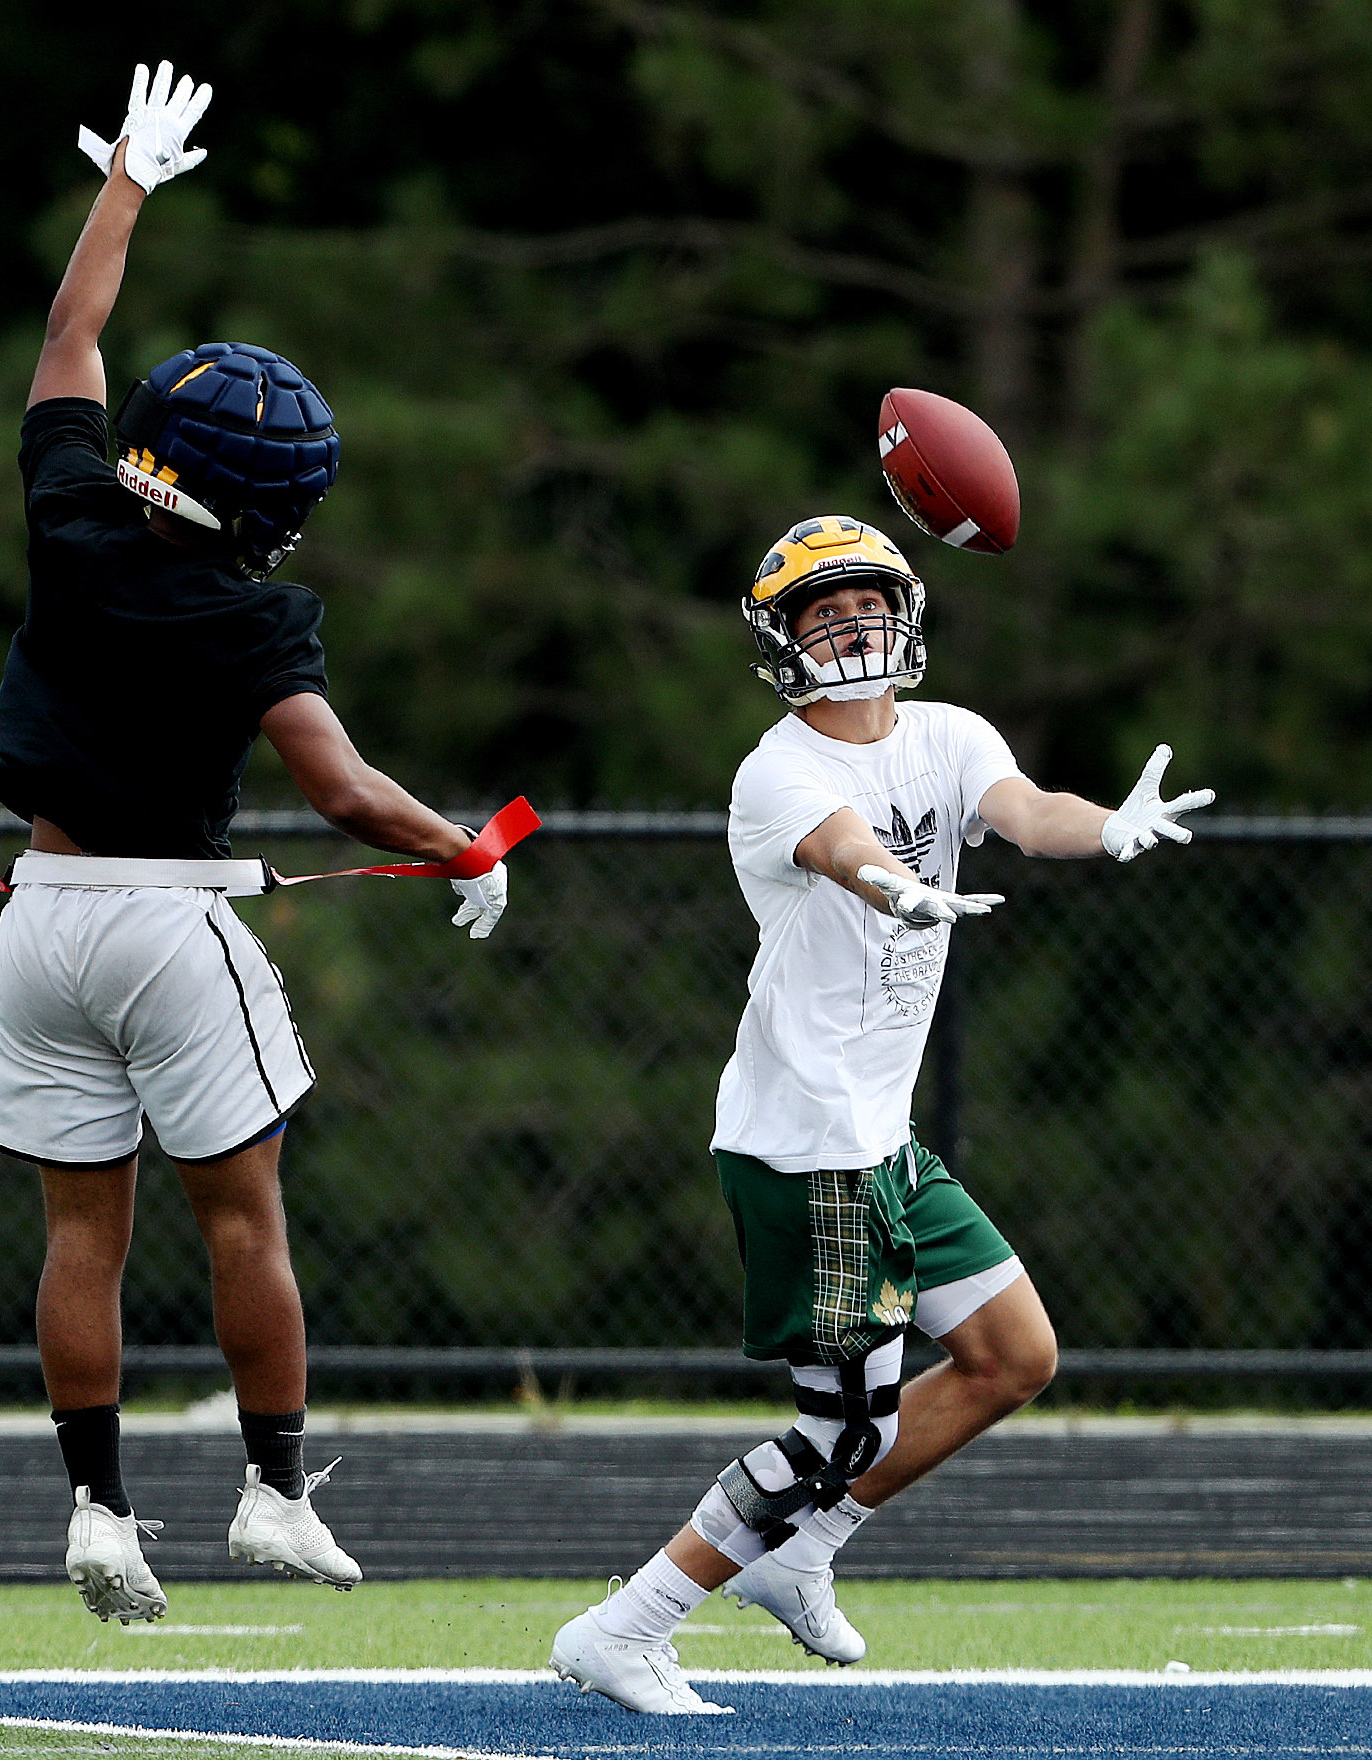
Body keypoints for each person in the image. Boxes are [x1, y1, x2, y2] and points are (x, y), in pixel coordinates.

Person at [0, 62, 509, 1627]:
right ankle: (269, 1489)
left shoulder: (68, 511)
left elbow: (69, 338)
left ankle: (99, 1516)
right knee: (242, 1216)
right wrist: (462, 848)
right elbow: (339, 789)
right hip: (165, 929)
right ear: (276, 502)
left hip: (35, 924)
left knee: (80, 1238)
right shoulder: (251, 611)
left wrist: (127, 179)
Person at [546, 514, 1213, 1713]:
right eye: (823, 609)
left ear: (907, 614)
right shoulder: (778, 768)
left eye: (867, 603)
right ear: (781, 638)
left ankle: (804, 1548)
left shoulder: (949, 733)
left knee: (1015, 1354)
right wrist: (900, 888)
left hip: (882, 1137)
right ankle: (625, 1624)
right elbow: (845, 844)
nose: (851, 624)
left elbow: (1022, 804)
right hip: (803, 1145)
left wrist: (1105, 824)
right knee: (840, 1425)